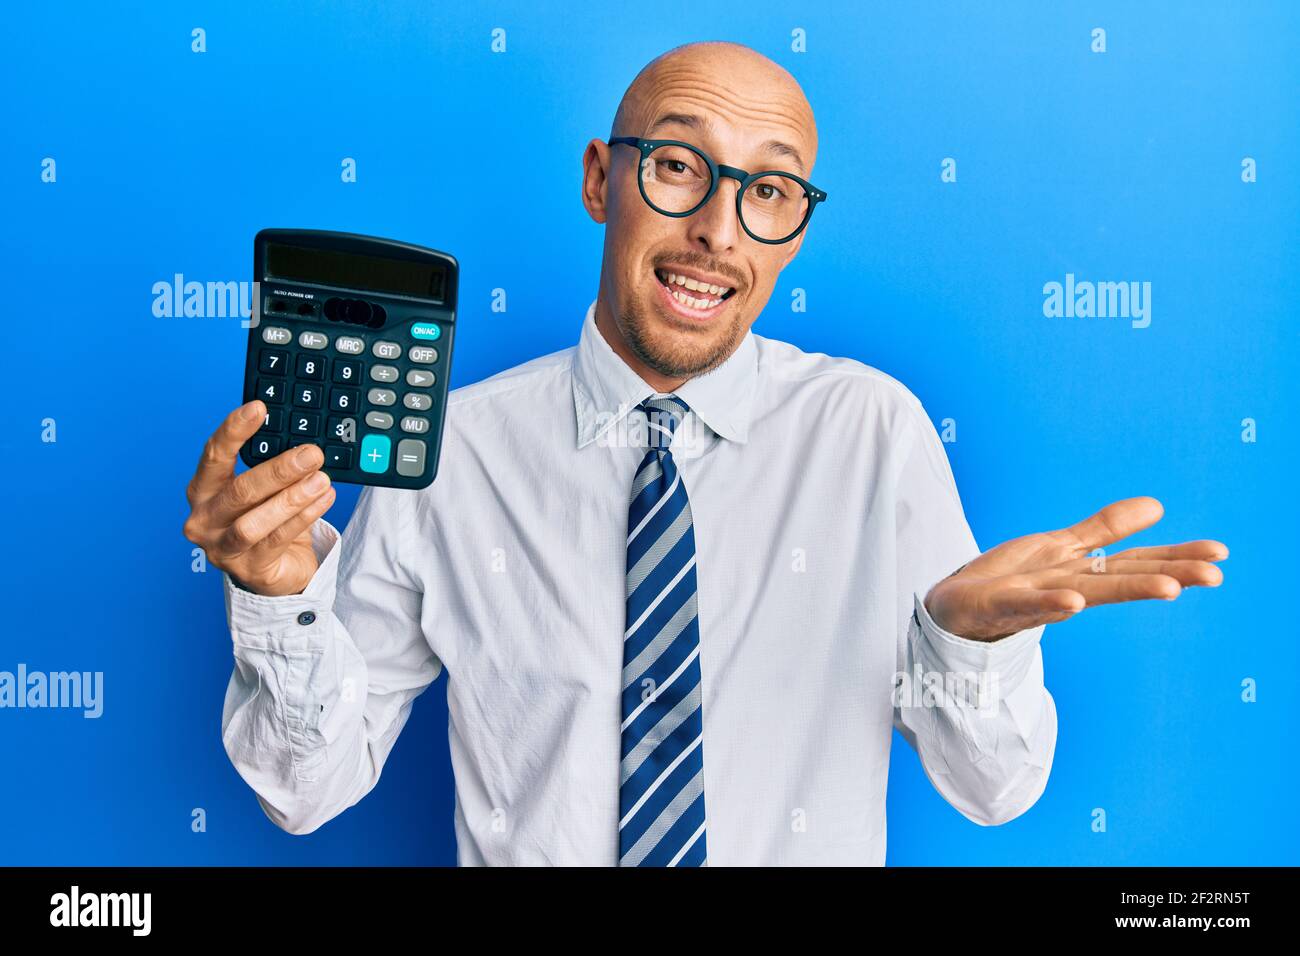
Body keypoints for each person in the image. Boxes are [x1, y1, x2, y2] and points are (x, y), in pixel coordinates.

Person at [182, 41, 1227, 866]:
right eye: (679, 166)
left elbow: (992, 790)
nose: (719, 232)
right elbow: (302, 789)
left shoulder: (871, 431)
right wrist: (281, 601)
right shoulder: (457, 453)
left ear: (795, 230)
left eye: (769, 192)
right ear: (602, 180)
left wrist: (964, 641)